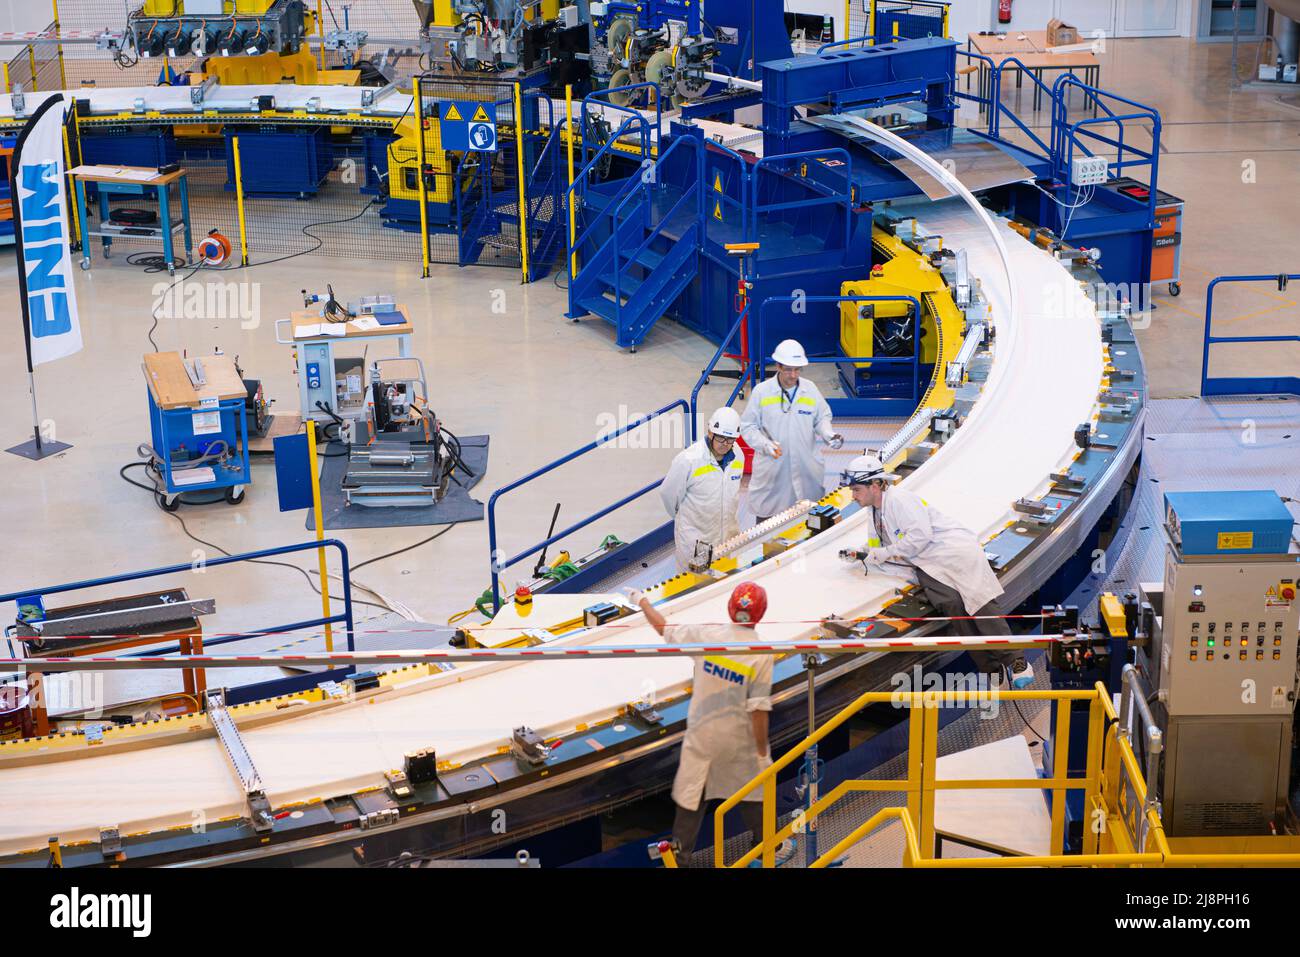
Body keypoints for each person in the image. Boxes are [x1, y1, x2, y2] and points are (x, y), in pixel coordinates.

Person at [839, 454, 1034, 688]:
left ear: (875, 485)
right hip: (927, 564)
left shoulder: (900, 500)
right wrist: (860, 553)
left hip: (953, 554)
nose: (853, 496)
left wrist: (887, 552)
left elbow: (920, 536)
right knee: (952, 605)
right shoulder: (873, 512)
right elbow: (877, 546)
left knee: (981, 602)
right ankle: (991, 668)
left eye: (857, 489)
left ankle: (1016, 661)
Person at [629, 581, 782, 863]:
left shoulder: (708, 635)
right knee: (754, 797)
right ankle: (767, 850)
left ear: (730, 608)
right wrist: (763, 754)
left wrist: (642, 601)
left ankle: (679, 858)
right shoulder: (761, 653)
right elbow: (758, 710)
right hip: (739, 743)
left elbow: (664, 629)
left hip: (701, 738)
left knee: (690, 806)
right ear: (761, 612)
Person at [740, 338, 843, 523]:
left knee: (808, 522)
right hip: (773, 471)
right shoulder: (762, 392)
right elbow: (748, 426)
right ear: (778, 366)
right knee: (768, 526)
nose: (793, 375)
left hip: (806, 468)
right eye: (788, 369)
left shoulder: (810, 389)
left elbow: (822, 417)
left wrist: (828, 434)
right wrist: (765, 445)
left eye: (797, 369)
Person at [660, 407, 744, 572]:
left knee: (726, 580)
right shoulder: (689, 460)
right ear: (710, 432)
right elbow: (668, 495)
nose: (725, 444)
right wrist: (684, 522)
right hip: (697, 540)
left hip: (728, 535)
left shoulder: (738, 456)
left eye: (730, 439)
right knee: (695, 586)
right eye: (721, 438)